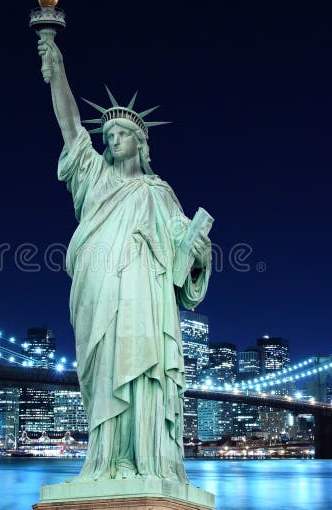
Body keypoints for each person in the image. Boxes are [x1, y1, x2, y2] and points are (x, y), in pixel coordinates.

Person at [38, 38, 212, 483]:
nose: (112, 140)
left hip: (144, 291)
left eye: (122, 135)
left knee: (142, 366)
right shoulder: (93, 175)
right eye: (109, 135)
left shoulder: (159, 193)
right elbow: (70, 126)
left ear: (141, 142)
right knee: (105, 365)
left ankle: (147, 461)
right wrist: (56, 69)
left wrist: (196, 254)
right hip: (98, 286)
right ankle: (106, 458)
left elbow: (183, 256)